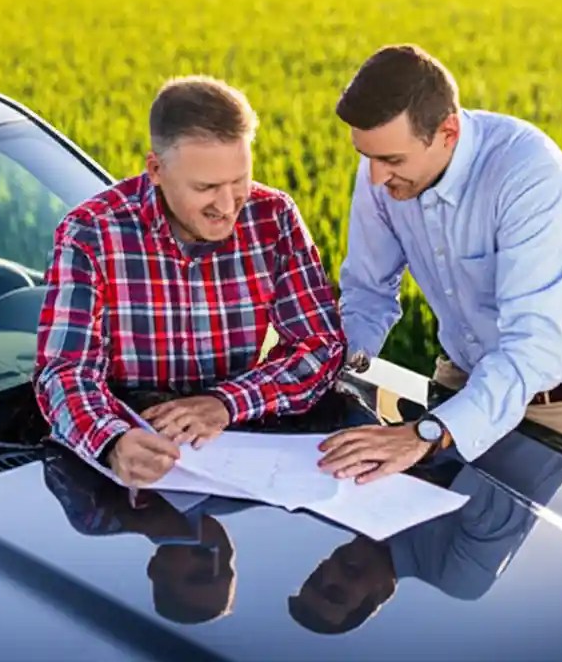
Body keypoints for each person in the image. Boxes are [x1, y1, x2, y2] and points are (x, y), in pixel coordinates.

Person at [318, 44, 562, 485]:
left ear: (448, 132)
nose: (375, 179)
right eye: (366, 157)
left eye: (391, 160)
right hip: (459, 381)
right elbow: (369, 292)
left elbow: (533, 346)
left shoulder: (526, 172)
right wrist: (328, 369)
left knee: (547, 555)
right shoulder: (381, 171)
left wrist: (427, 432)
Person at [34, 75, 346, 488]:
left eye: (239, 181)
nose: (227, 204)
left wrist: (223, 403)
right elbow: (66, 370)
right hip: (135, 450)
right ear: (156, 170)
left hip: (243, 445)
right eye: (206, 187)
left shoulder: (274, 218)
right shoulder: (90, 233)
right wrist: (111, 441)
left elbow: (319, 344)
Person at [291, 433, 562, 634]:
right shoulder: (455, 579)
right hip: (556, 422)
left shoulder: (348, 505)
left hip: (470, 378)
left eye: (317, 577)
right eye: (336, 593)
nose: (332, 573)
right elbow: (497, 506)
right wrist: (414, 456)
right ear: (382, 594)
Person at [43, 452, 251, 625]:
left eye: (201, 573)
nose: (215, 556)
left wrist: (135, 516)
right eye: (226, 567)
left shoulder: (97, 514)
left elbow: (57, 451)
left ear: (157, 568)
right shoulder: (248, 493)